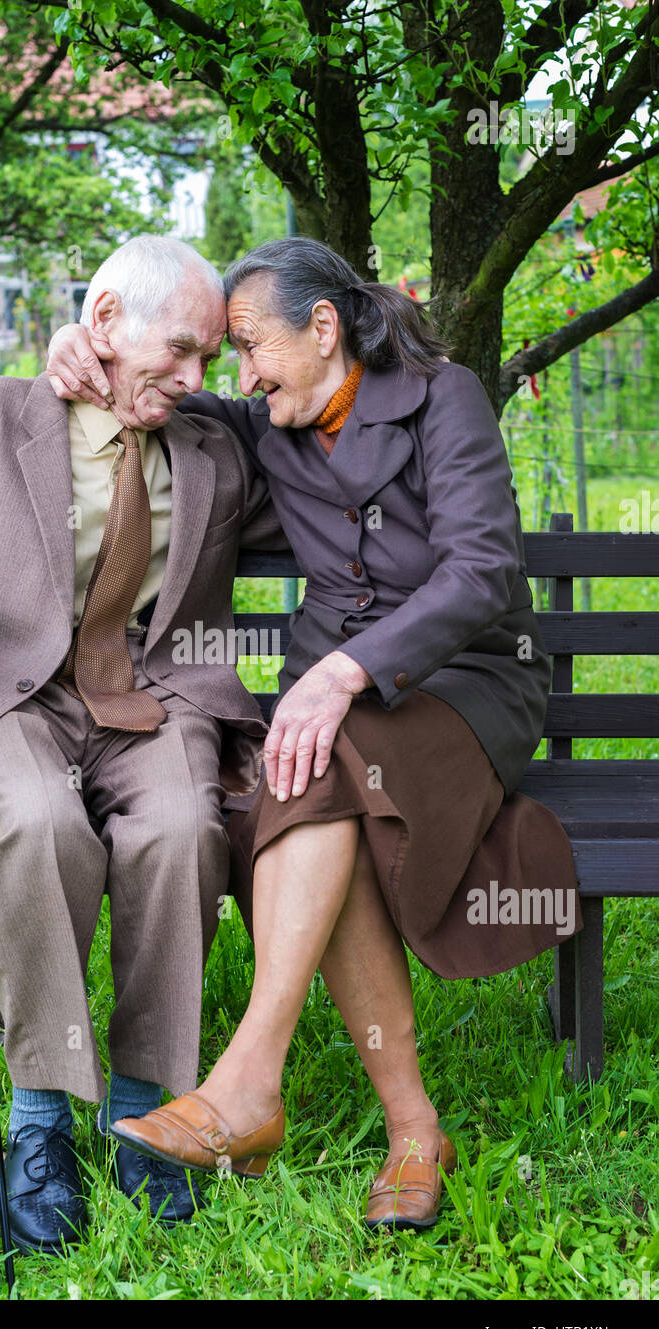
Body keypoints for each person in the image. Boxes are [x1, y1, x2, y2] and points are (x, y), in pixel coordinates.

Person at [45, 235, 584, 1230]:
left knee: (306, 766)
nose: (236, 373)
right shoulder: (273, 420)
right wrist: (67, 347)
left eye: (249, 345)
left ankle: (251, 1083)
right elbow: (160, 387)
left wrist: (344, 671)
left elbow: (481, 572)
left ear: (324, 327)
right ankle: (409, 1131)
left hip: (463, 685)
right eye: (228, 355)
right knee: (305, 781)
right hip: (329, 711)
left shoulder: (440, 396)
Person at [0, 234, 286, 1253]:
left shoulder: (213, 442)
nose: (191, 377)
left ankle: (141, 1108)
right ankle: (39, 1118)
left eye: (209, 359)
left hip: (152, 695)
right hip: (9, 690)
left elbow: (309, 430)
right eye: (175, 350)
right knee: (41, 824)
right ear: (99, 323)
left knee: (181, 827)